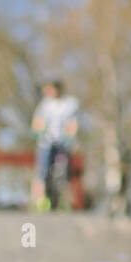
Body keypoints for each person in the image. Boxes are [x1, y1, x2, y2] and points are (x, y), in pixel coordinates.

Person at [30, 80, 79, 211]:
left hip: (62, 142)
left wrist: (70, 137)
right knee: (42, 170)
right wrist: (38, 132)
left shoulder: (69, 104)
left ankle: (65, 200)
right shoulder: (45, 105)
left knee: (65, 171)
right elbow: (37, 121)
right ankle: (39, 200)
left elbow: (72, 123)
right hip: (46, 141)